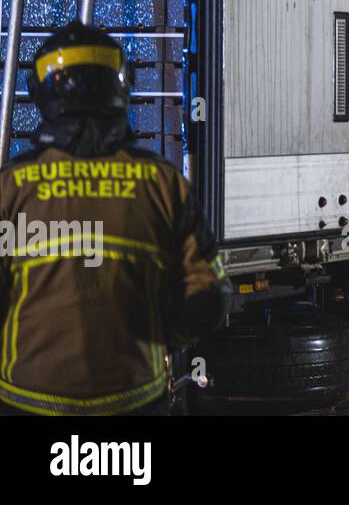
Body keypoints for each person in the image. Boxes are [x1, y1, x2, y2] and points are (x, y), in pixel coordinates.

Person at [0, 21, 230, 414]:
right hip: (135, 399)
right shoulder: (163, 184)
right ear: (121, 90)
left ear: (40, 95)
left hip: (26, 402)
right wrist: (157, 336)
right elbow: (207, 299)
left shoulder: (11, 188)